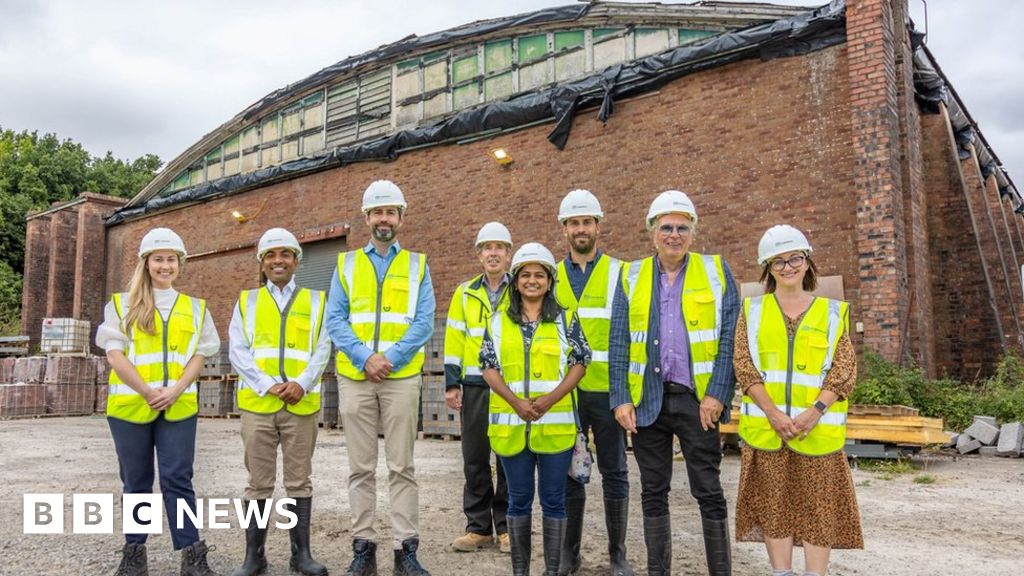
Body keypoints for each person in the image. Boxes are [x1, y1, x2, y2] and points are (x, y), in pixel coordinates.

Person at [609, 190, 739, 576]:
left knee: (708, 490)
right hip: (648, 401)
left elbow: (731, 337)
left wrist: (718, 394)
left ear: (693, 233)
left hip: (698, 402)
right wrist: (621, 398)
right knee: (653, 491)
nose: (674, 235)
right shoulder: (631, 276)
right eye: (666, 227)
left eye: (682, 228)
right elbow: (618, 341)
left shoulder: (716, 271)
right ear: (653, 233)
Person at [733, 225, 863, 576]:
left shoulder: (832, 312)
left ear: (807, 262)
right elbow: (744, 366)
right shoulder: (752, 311)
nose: (788, 267)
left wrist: (816, 411)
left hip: (816, 433)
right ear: (768, 268)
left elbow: (844, 370)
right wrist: (773, 413)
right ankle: (782, 572)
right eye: (778, 261)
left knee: (818, 509)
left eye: (795, 259)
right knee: (774, 506)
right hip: (768, 431)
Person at [96, 227, 221, 576]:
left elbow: (200, 355)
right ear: (146, 263)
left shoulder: (195, 308)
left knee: (178, 478)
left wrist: (176, 389)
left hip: (178, 407)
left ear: (180, 263)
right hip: (131, 407)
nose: (165, 266)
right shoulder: (121, 304)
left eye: (171, 260)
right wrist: (147, 391)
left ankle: (192, 555)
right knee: (136, 482)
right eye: (158, 259)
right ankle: (135, 555)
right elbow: (115, 355)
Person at [326, 179, 435, 576]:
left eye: (390, 212)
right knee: (361, 467)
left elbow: (424, 322)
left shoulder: (418, 265)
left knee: (402, 466)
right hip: (356, 376)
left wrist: (388, 358)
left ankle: (405, 550)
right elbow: (334, 319)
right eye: (377, 212)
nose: (383, 219)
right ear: (367, 218)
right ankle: (364, 548)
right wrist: (365, 357)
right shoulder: (346, 264)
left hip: (400, 376)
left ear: (400, 218)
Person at [480, 242, 591, 576]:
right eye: (525, 275)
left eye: (539, 275)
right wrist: (515, 402)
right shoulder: (498, 321)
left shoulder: (565, 319)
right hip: (512, 428)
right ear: (516, 281)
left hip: (554, 428)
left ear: (549, 281)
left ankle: (553, 571)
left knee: (554, 499)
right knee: (518, 500)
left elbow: (580, 362)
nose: (532, 281)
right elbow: (488, 366)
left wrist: (550, 399)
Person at [228, 228, 332, 576]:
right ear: (262, 262)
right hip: (258, 405)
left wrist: (301, 383)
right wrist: (268, 385)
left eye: (285, 254)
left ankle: (301, 556)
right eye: (270, 255)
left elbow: (323, 348)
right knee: (258, 483)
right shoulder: (247, 302)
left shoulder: (317, 301)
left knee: (299, 482)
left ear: (296, 261)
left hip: (300, 405)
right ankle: (254, 557)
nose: (278, 261)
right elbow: (238, 351)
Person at [552, 190, 633, 576]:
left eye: (586, 222)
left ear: (598, 226)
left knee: (615, 471)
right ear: (564, 229)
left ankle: (618, 555)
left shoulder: (621, 272)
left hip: (608, 391)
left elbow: (629, 334)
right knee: (570, 472)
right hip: (566, 394)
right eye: (574, 223)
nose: (580, 228)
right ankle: (570, 555)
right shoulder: (550, 274)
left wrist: (625, 392)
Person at [445, 222, 513, 554]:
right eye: (487, 247)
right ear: (479, 254)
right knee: (474, 458)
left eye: (499, 247)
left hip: (510, 388)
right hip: (474, 386)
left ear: (508, 254)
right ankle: (478, 528)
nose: (493, 253)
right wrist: (451, 383)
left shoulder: (520, 289)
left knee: (509, 458)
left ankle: (507, 527)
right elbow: (454, 337)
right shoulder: (465, 292)